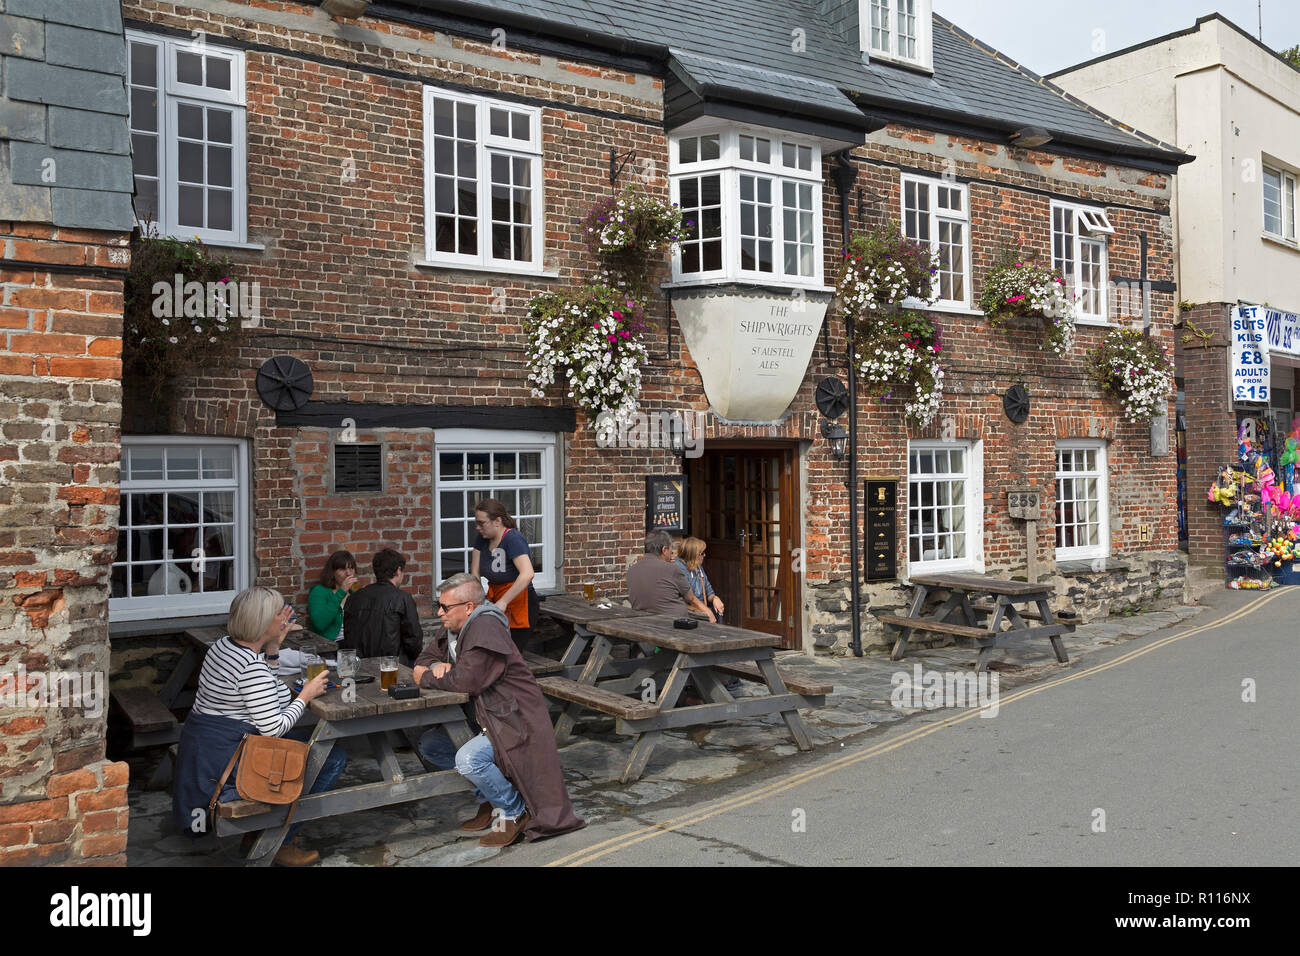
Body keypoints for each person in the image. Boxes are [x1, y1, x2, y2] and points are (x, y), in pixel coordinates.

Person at [172, 585, 346, 866]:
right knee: (330, 757)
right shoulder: (249, 667)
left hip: (206, 750)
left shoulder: (224, 647)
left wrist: (274, 647)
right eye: (280, 612)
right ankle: (278, 840)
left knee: (311, 743)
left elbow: (268, 690)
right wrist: (305, 696)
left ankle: (267, 832)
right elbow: (274, 728)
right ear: (264, 622)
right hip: (228, 762)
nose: (285, 617)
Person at [412, 573, 585, 847]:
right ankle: (489, 800)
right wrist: (435, 667)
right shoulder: (451, 627)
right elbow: (425, 658)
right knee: (432, 744)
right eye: (440, 605)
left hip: (512, 718)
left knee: (469, 759)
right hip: (482, 717)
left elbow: (468, 680)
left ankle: (514, 812)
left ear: (469, 607)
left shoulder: (486, 627)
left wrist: (427, 678)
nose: (439, 612)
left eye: (445, 607)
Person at [470, 498, 539, 652]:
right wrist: (477, 599)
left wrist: (503, 602)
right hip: (494, 599)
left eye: (482, 523)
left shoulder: (513, 539)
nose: (478, 527)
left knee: (510, 653)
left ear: (497, 521)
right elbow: (475, 572)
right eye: (477, 522)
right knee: (490, 648)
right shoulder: (482, 539)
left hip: (520, 602)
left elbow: (527, 574)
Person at [340, 548, 423, 662]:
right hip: (393, 666)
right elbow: (414, 640)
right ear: (398, 570)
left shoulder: (354, 598)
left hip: (360, 666)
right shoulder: (402, 598)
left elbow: (348, 636)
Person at [628, 530, 711, 618]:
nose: (672, 556)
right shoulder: (672, 569)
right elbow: (691, 598)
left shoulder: (631, 570)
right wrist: (710, 614)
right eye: (671, 552)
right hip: (674, 622)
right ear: (664, 550)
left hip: (643, 620)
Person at [307, 550, 358, 642]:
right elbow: (320, 623)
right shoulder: (319, 591)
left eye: (351, 568)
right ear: (332, 572)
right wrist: (341, 591)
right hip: (329, 645)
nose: (348, 573)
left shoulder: (354, 594)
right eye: (343, 569)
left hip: (351, 643)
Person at [675, 536, 724, 621]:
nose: (705, 555)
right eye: (702, 553)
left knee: (718, 610)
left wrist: (715, 598)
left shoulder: (698, 567)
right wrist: (708, 612)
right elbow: (690, 598)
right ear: (692, 554)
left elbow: (709, 592)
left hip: (700, 609)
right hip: (688, 610)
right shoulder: (679, 568)